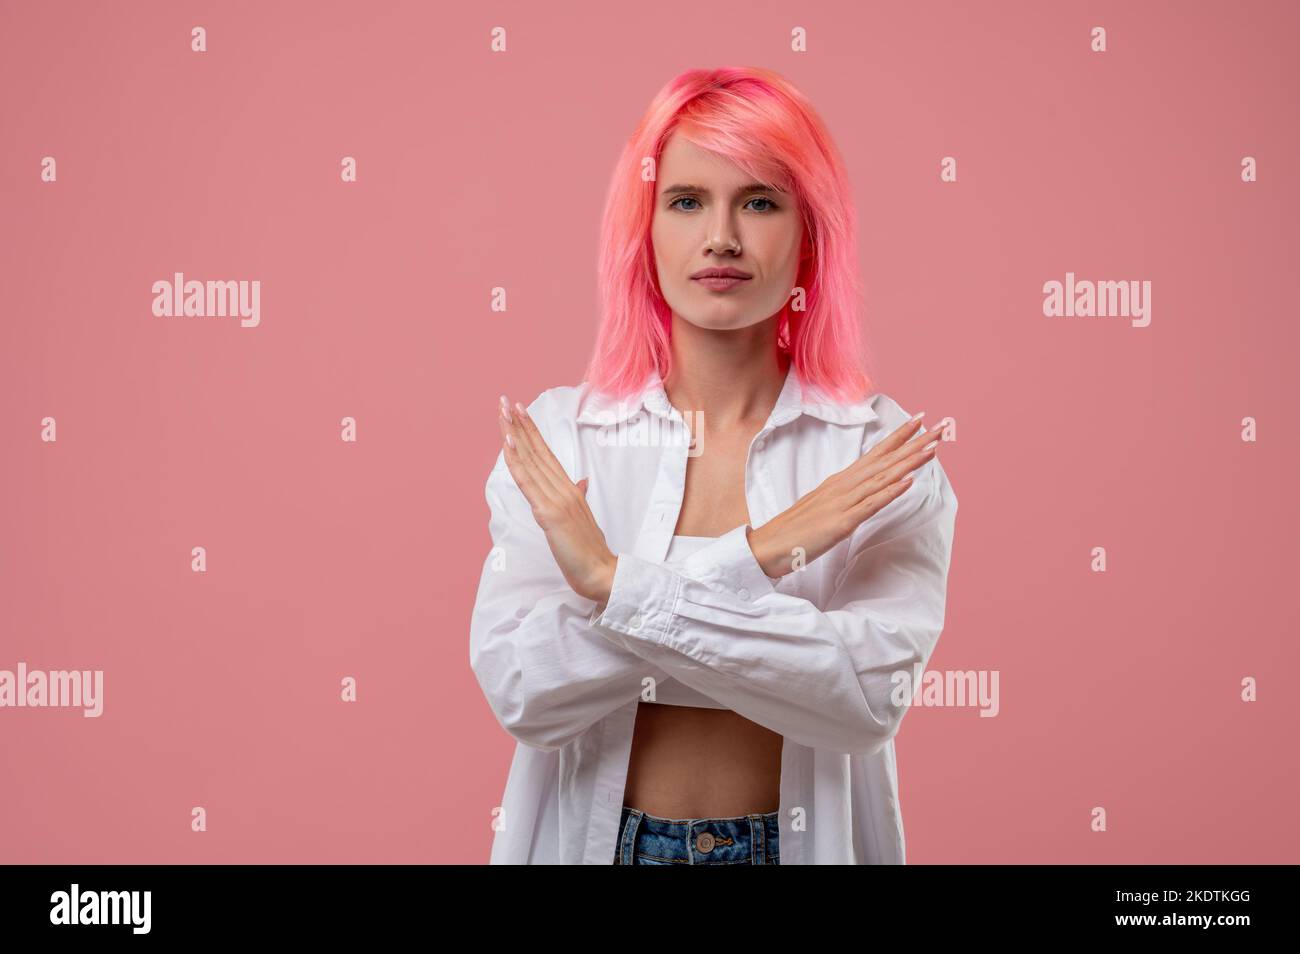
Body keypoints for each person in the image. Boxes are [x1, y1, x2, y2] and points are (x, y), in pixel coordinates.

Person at [469, 66, 958, 865]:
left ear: (809, 234)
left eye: (760, 201)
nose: (722, 236)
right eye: (687, 200)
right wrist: (765, 552)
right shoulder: (563, 437)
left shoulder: (878, 454)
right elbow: (526, 690)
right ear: (647, 228)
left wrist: (611, 584)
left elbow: (864, 701)